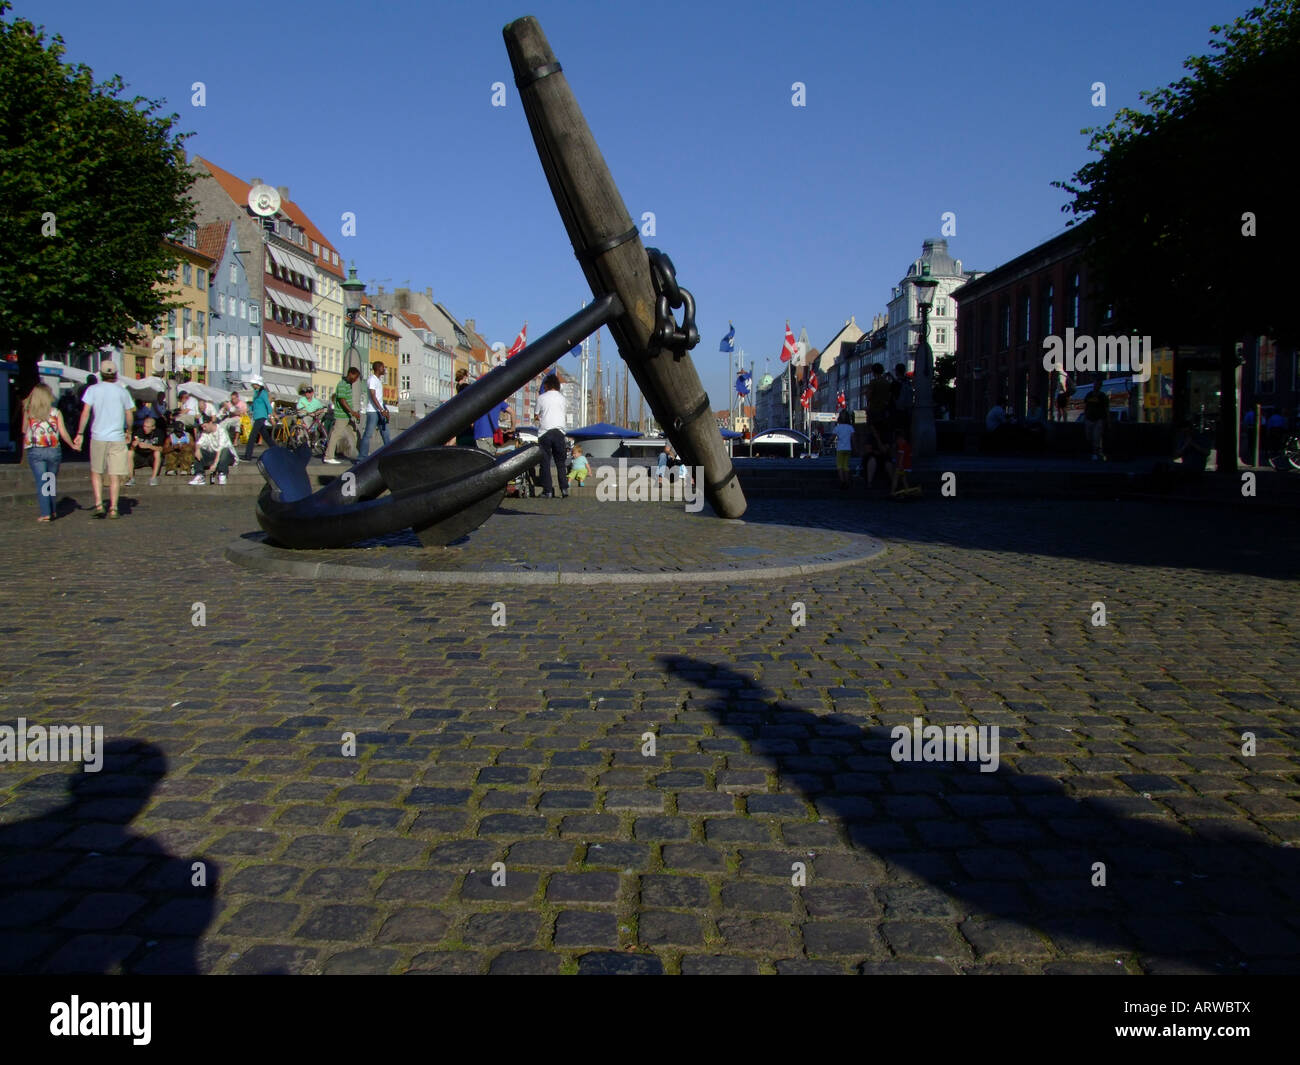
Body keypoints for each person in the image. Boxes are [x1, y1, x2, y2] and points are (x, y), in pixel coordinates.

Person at [73, 359, 135, 519]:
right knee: (114, 474)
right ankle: (113, 508)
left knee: (96, 472)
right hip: (117, 437)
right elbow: (129, 414)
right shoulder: (123, 391)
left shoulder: (93, 390)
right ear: (115, 375)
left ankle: (99, 504)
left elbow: (85, 413)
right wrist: (129, 430)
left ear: (100, 374)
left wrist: (80, 433)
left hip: (98, 436)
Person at [20, 383, 75, 522]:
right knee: (50, 480)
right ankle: (52, 510)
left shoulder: (29, 412)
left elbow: (23, 430)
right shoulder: (56, 412)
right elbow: (63, 432)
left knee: (42, 482)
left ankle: (46, 513)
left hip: (36, 450)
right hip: (53, 450)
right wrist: (72, 445)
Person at [534, 372, 568, 498]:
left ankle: (547, 490)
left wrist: (539, 417)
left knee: (545, 462)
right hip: (559, 432)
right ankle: (564, 489)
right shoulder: (563, 399)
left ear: (546, 385)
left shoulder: (541, 398)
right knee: (560, 462)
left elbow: (536, 414)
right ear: (558, 385)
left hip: (545, 432)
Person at [324, 367, 362, 465]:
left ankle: (338, 453)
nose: (356, 380)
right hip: (342, 415)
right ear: (351, 374)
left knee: (347, 433)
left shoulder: (347, 384)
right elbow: (342, 400)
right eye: (356, 377)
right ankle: (328, 456)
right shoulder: (342, 384)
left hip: (346, 415)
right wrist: (353, 412)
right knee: (335, 435)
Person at [190, 411, 239, 486]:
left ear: (210, 423)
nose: (203, 428)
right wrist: (197, 450)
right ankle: (200, 475)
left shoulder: (221, 431)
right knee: (200, 451)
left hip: (227, 456)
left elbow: (220, 449)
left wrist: (215, 464)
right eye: (202, 427)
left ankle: (222, 474)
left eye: (205, 426)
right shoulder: (205, 433)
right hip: (214, 455)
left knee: (224, 450)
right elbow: (199, 443)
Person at [358, 360, 391, 458]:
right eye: (383, 367)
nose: (384, 369)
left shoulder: (378, 380)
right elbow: (373, 396)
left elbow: (379, 398)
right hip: (373, 411)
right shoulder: (372, 379)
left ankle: (390, 454)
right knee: (368, 434)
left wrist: (385, 409)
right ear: (378, 368)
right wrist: (381, 410)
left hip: (380, 411)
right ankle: (361, 458)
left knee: (386, 434)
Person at [127, 415, 165, 486]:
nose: (145, 429)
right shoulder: (138, 432)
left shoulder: (159, 433)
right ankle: (131, 478)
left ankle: (153, 478)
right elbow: (131, 448)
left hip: (151, 456)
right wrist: (133, 445)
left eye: (148, 427)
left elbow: (161, 449)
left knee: (157, 453)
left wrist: (148, 446)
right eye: (144, 426)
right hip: (140, 456)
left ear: (153, 427)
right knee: (130, 452)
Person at [244, 378, 273, 460]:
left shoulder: (263, 393)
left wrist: (271, 415)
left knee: (252, 436)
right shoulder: (256, 393)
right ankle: (276, 449)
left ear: (257, 384)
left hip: (261, 416)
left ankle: (248, 456)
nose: (252, 385)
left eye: (253, 384)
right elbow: (254, 405)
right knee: (266, 437)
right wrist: (249, 409)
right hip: (257, 416)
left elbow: (267, 404)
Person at [1082, 381, 1108, 461]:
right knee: (1089, 436)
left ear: (1100, 386)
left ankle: (1096, 453)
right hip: (1089, 419)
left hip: (1098, 419)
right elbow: (1085, 405)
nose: (1095, 386)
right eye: (1094, 385)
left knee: (1096, 436)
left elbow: (1106, 409)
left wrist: (1106, 420)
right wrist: (1085, 416)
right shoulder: (1089, 394)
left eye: (1097, 385)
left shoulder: (1103, 396)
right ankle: (1094, 452)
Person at [833, 408, 855, 489]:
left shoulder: (837, 428)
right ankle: (847, 481)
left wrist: (829, 442)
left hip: (840, 449)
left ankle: (842, 482)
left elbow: (833, 437)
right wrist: (855, 447)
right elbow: (853, 439)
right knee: (846, 466)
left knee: (840, 466)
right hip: (848, 449)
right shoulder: (850, 427)